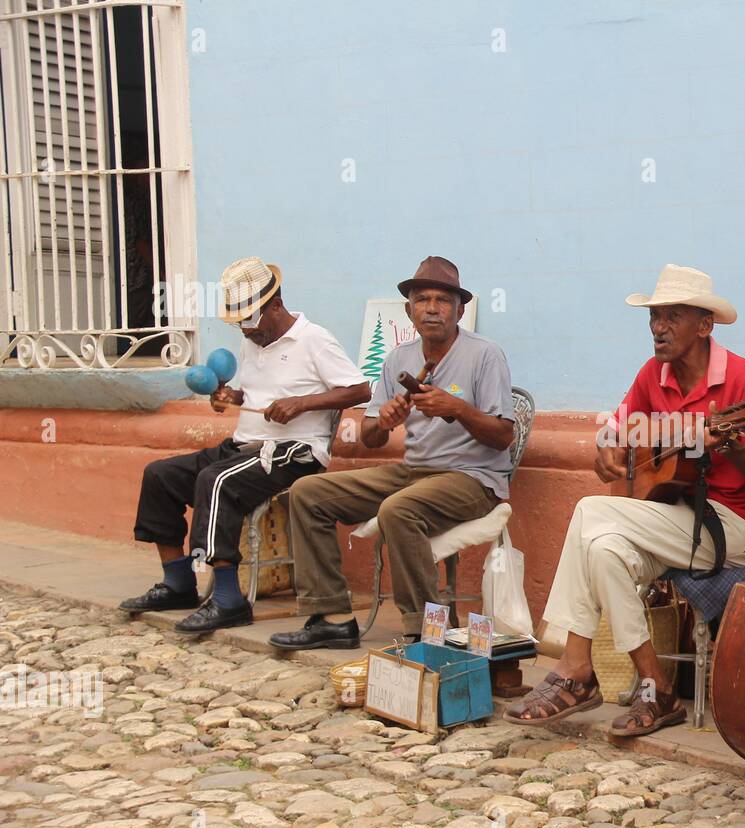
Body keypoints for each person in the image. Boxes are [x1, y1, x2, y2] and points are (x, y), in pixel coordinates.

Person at [505, 264, 745, 736]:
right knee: (603, 551)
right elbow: (616, 429)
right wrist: (609, 449)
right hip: (671, 519)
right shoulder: (654, 374)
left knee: (589, 510)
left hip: (730, 527)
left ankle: (575, 665)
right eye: (654, 316)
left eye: (672, 317)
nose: (658, 327)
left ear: (704, 325)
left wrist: (729, 447)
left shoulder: (740, 377)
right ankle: (657, 687)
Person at [270, 256, 515, 650]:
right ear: (409, 310)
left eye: (442, 300)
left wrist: (458, 409)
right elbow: (370, 438)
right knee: (307, 493)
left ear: (459, 311)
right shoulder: (400, 358)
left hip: (472, 479)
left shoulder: (484, 354)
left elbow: (504, 436)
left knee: (398, 509)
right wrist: (384, 421)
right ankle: (331, 618)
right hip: (414, 473)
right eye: (422, 300)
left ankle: (427, 630)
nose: (432, 309)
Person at [122, 256, 371, 633]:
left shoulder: (314, 339)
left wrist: (302, 403)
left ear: (276, 306)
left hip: (293, 452)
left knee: (215, 480)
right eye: (238, 322)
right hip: (244, 447)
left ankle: (228, 600)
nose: (245, 329)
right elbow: (257, 393)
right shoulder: (253, 341)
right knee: (160, 475)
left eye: (250, 320)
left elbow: (360, 389)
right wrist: (233, 397)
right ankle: (178, 583)